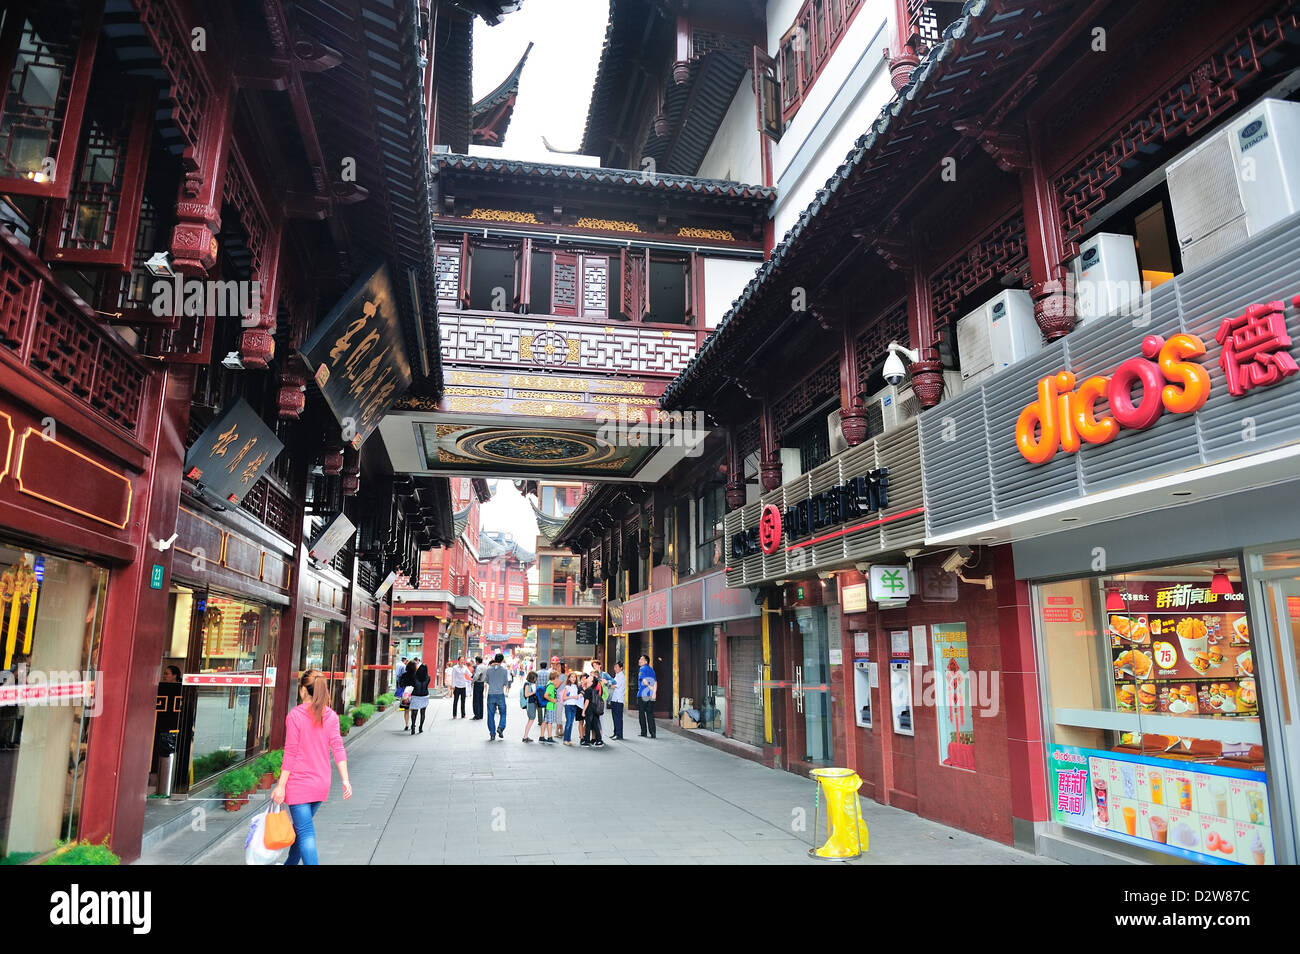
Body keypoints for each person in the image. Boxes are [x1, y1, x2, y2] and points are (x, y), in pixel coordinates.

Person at [272, 670, 352, 865]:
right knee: (302, 829)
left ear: (302, 691)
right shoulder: (331, 716)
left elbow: (290, 752)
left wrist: (281, 785)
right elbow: (338, 748)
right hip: (321, 783)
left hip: (298, 783)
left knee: (305, 832)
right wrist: (345, 780)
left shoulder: (295, 716)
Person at [484, 653, 510, 741]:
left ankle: (492, 733)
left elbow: (486, 681)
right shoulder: (504, 670)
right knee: (503, 713)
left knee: (490, 714)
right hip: (500, 694)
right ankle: (501, 727)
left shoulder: (488, 670)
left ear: (494, 659)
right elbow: (506, 683)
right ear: (502, 660)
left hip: (491, 693)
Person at [637, 654, 657, 739]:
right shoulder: (652, 670)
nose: (639, 660)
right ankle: (653, 733)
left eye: (641, 659)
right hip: (650, 695)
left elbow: (644, 680)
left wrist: (649, 687)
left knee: (642, 714)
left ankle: (644, 732)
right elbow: (656, 682)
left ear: (646, 661)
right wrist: (654, 692)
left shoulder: (642, 668)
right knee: (650, 714)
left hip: (643, 694)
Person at [409, 658, 430, 734]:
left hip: (416, 695)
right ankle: (420, 727)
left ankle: (413, 727)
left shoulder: (415, 676)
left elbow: (412, 685)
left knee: (414, 712)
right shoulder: (428, 677)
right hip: (424, 695)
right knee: (423, 713)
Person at [539, 671, 561, 744]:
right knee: (550, 722)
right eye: (557, 678)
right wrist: (553, 700)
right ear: (555, 678)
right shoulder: (551, 686)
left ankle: (541, 737)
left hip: (548, 706)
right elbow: (546, 695)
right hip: (550, 706)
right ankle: (549, 737)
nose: (558, 680)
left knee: (545, 721)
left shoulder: (549, 684)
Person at [561, 672, 581, 746]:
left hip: (574, 706)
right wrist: (573, 697)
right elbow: (564, 698)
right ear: (569, 678)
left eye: (574, 677)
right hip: (568, 706)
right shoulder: (567, 687)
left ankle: (569, 740)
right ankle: (565, 740)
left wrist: (579, 696)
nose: (573, 678)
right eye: (571, 677)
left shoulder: (575, 686)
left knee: (571, 723)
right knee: (568, 722)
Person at [520, 670, 540, 742]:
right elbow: (526, 694)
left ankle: (526, 736)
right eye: (535, 678)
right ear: (532, 678)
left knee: (530, 720)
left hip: (531, 703)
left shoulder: (528, 684)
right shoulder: (527, 684)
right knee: (531, 719)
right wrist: (534, 692)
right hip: (530, 703)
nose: (536, 679)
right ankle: (525, 737)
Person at [609, 662, 627, 741]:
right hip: (614, 699)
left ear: (621, 668)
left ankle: (619, 735)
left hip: (618, 700)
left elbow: (614, 686)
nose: (615, 668)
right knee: (614, 717)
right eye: (614, 667)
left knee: (618, 718)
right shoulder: (617, 676)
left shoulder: (621, 676)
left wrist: (607, 684)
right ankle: (615, 733)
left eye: (616, 667)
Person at [397, 659, 415, 731]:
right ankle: (413, 724)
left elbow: (400, 684)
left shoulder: (404, 675)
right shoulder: (416, 675)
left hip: (406, 694)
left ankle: (406, 725)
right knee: (413, 710)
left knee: (406, 710)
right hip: (413, 694)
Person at [471, 655, 487, 720]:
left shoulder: (479, 667)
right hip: (482, 683)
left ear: (477, 661)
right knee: (480, 699)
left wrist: (472, 682)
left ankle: (477, 715)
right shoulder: (485, 666)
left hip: (477, 683)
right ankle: (480, 714)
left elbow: (476, 676)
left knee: (476, 700)